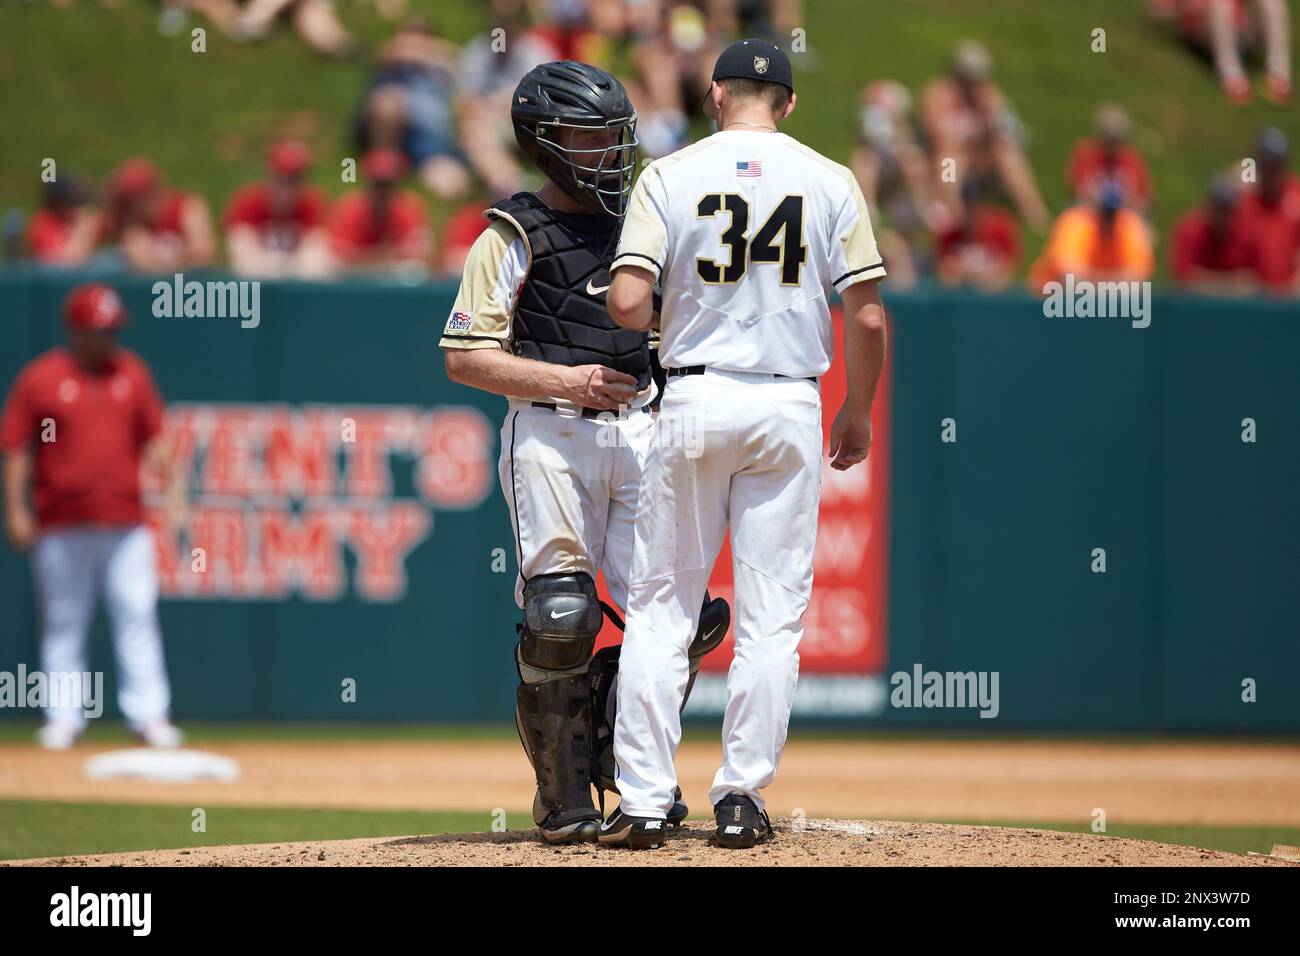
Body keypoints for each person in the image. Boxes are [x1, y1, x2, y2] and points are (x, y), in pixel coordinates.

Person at [604, 39, 887, 850]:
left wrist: (672, 317)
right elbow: (866, 316)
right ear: (789, 103)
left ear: (715, 94)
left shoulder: (669, 173)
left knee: (660, 611)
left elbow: (627, 301)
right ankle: (740, 799)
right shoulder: (831, 179)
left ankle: (649, 800)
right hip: (790, 403)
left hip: (693, 394)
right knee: (772, 621)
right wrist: (856, 410)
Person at [439, 60, 727, 845]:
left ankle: (640, 777)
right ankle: (561, 792)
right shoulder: (511, 233)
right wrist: (567, 376)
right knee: (561, 616)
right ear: (546, 141)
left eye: (615, 137)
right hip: (551, 430)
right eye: (590, 138)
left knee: (682, 618)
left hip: (645, 429)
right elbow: (464, 357)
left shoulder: (649, 219)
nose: (609, 152)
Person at [1, 285, 185, 751]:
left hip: (126, 523)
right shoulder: (42, 377)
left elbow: (157, 437)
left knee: (137, 614)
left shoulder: (131, 373)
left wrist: (176, 489)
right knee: (64, 620)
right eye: (100, 330)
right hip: (62, 522)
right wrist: (17, 508)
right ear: (76, 329)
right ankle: (64, 719)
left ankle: (149, 717)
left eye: (113, 330)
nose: (109, 339)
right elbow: (16, 448)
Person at [920, 39, 1049, 231]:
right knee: (951, 156)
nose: (971, 84)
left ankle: (1034, 211)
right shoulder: (938, 94)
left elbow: (1007, 131)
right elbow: (937, 136)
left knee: (1007, 152)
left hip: (980, 157)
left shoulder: (988, 95)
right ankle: (951, 210)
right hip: (946, 156)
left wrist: (989, 118)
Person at [354, 15, 471, 199]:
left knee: (451, 185)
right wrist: (420, 51)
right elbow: (386, 53)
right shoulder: (392, 57)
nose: (414, 40)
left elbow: (461, 64)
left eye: (421, 33)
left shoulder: (442, 63)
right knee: (388, 102)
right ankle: (383, 169)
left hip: (427, 133)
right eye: (409, 32)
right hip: (389, 127)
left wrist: (431, 52)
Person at [223, 140, 332, 278]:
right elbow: (242, 259)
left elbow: (315, 262)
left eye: (294, 180)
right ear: (270, 177)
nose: (287, 188)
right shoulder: (248, 203)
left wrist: (278, 265)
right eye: (282, 179)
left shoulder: (312, 204)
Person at [1028, 180, 1155, 290]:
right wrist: (1115, 283)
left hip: (1097, 304)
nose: (1107, 217)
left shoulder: (1129, 224)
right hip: (1051, 303)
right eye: (1103, 210)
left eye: (1112, 211)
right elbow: (1070, 278)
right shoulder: (1076, 222)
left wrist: (1095, 282)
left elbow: (1138, 276)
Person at [100, 158, 216, 274]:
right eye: (131, 199)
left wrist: (164, 256)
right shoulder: (129, 220)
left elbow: (204, 254)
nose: (137, 203)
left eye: (142, 196)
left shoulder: (185, 207)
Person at [326, 148, 432, 273]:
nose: (383, 191)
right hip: (356, 273)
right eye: (378, 184)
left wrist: (371, 255)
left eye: (388, 185)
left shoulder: (410, 207)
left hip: (393, 273)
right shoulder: (350, 207)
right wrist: (384, 254)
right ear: (368, 183)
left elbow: (421, 252)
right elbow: (340, 253)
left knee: (415, 268)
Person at [1170, 173, 1257, 293]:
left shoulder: (1247, 233)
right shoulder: (1190, 230)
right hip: (1195, 308)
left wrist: (1203, 279)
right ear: (1209, 206)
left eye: (1228, 209)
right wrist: (1233, 283)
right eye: (1219, 208)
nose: (1223, 216)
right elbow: (1183, 280)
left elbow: (1256, 282)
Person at [1239, 127, 1300, 293]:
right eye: (1267, 163)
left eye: (1277, 164)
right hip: (1255, 299)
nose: (1272, 171)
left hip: (1292, 298)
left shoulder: (1296, 195)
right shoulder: (1245, 203)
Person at [935, 176, 1021, 292]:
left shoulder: (1000, 226)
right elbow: (942, 274)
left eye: (974, 205)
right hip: (959, 300)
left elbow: (1008, 272)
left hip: (992, 298)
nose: (971, 211)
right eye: (967, 205)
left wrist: (985, 276)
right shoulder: (950, 231)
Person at [1066, 104, 1153, 215]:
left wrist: (1129, 204)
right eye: (1108, 138)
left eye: (1117, 140)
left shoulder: (1133, 159)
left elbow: (1145, 199)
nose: (1112, 145)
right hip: (1091, 215)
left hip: (1125, 218)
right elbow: (1077, 192)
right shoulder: (1086, 154)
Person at [27, 176, 101, 268]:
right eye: (71, 203)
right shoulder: (44, 224)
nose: (77, 209)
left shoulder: (74, 220)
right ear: (56, 203)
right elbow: (64, 264)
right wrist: (84, 232)